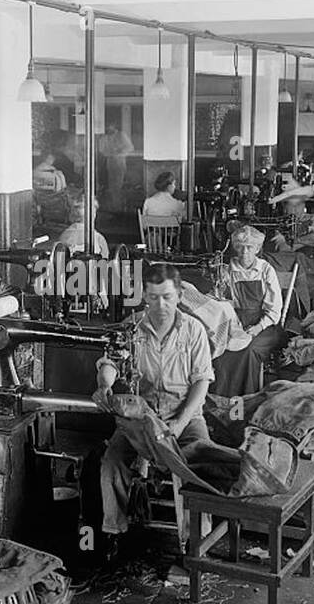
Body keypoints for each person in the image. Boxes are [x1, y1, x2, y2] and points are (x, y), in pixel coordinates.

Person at [95, 263, 214, 555]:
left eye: (167, 297)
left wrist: (181, 423)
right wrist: (105, 384)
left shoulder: (194, 330)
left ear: (179, 295)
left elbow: (201, 383)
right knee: (112, 463)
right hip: (142, 417)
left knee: (196, 467)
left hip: (183, 413)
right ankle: (115, 533)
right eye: (153, 297)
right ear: (144, 296)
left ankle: (196, 544)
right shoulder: (131, 327)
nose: (161, 305)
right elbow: (110, 362)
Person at [211, 225, 288, 396]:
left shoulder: (265, 269)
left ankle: (243, 404)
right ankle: (223, 405)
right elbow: (222, 303)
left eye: (250, 247)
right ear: (235, 248)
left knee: (248, 351)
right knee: (222, 353)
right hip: (236, 323)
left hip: (265, 326)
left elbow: (274, 309)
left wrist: (258, 327)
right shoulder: (227, 270)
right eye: (240, 247)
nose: (244, 252)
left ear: (258, 248)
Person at [99, 122, 133, 209]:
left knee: (118, 186)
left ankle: (118, 207)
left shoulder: (121, 135)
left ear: (114, 125)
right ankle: (114, 207)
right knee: (111, 185)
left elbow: (130, 148)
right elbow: (102, 150)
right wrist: (109, 152)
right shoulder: (104, 137)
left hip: (119, 162)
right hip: (110, 162)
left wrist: (120, 151)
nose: (108, 127)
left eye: (110, 125)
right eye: (107, 126)